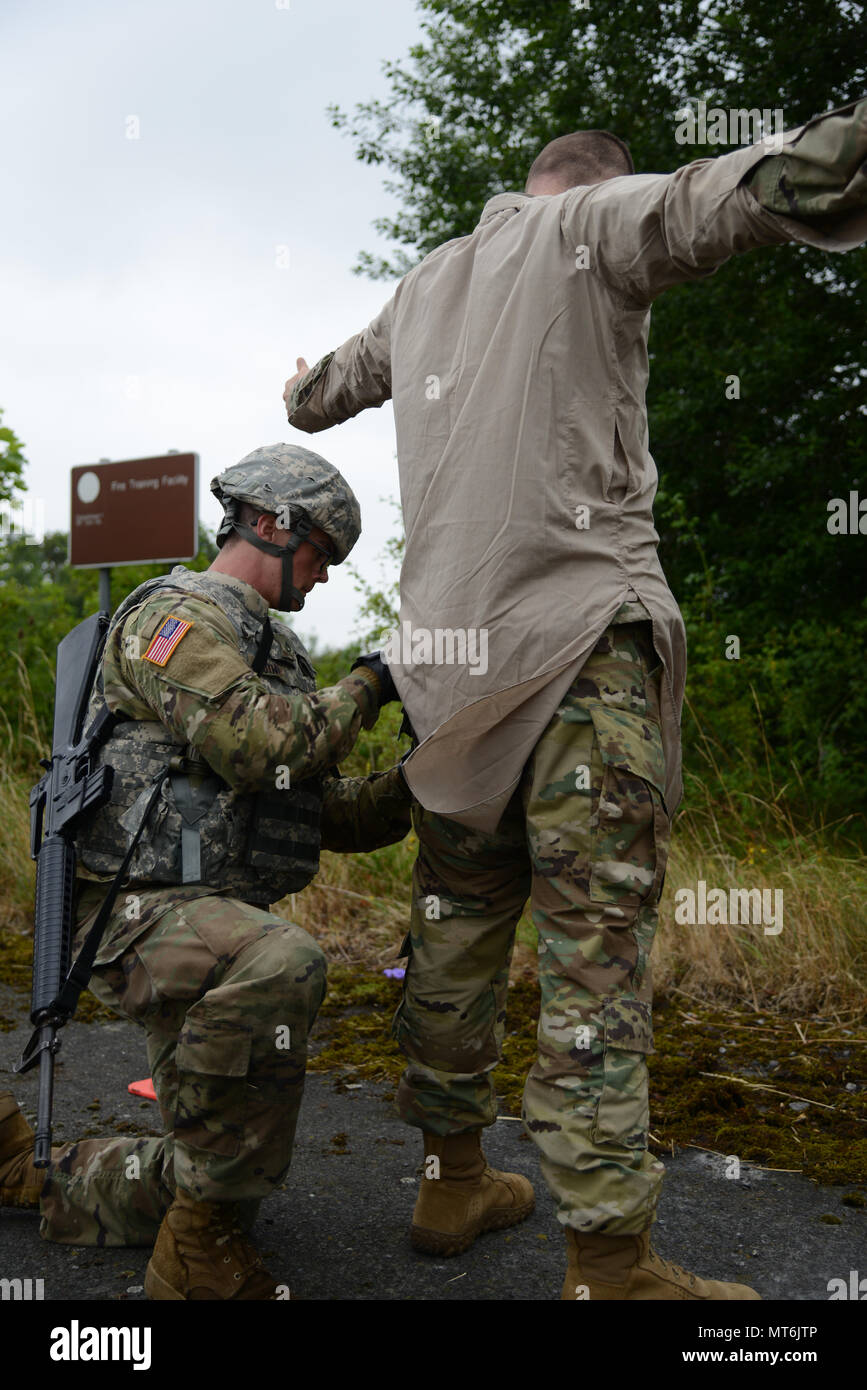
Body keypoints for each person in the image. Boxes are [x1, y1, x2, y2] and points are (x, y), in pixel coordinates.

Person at [282, 100, 867, 1299]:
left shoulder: (426, 284)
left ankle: (452, 1179)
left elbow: (324, 393)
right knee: (591, 953)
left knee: (450, 938)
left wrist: (298, 391)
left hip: (448, 675)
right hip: (574, 654)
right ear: (599, 183)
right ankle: (609, 1263)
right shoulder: (600, 223)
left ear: (523, 182)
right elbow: (755, 184)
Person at [0, 443, 415, 1300]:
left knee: (213, 1166)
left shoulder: (270, 649)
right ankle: (193, 1263)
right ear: (271, 523)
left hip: (205, 918)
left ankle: (31, 1172)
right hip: (132, 914)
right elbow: (266, 746)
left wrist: (424, 780)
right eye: (321, 553)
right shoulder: (174, 619)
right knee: (282, 960)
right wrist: (374, 680)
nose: (326, 576)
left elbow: (321, 808)